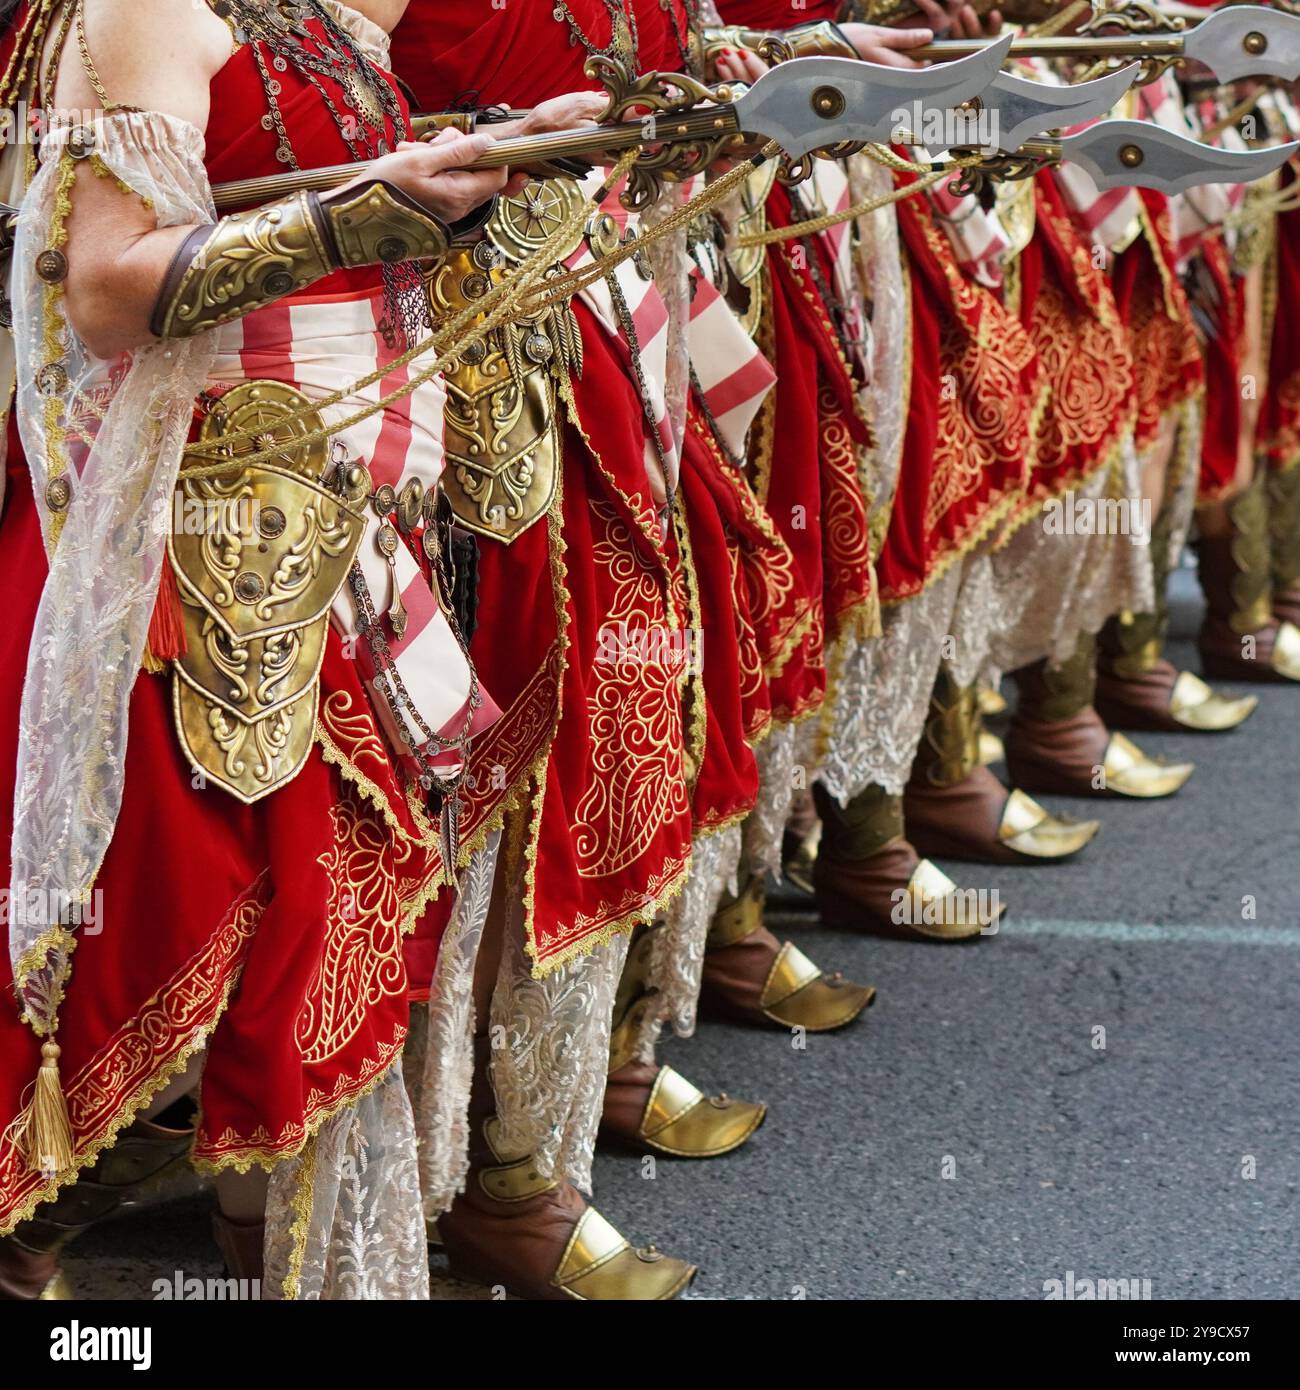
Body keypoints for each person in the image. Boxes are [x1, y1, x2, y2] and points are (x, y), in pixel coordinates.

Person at [0, 0, 508, 1300]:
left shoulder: (318, 11)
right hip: (201, 568)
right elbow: (111, 290)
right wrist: (359, 215)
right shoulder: (144, 12)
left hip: (339, 537)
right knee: (174, 966)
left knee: (317, 976)